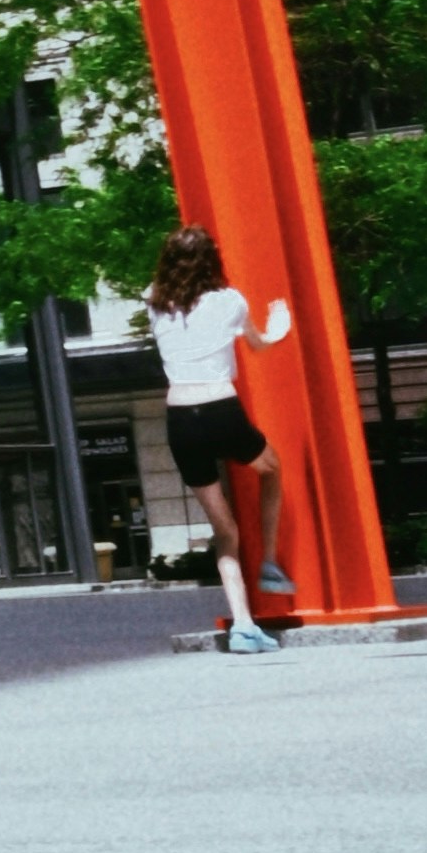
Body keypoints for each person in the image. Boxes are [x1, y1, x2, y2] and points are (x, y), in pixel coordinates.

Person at [143, 225, 297, 651]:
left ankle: (243, 626)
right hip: (220, 410)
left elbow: (164, 291)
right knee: (272, 468)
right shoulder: (230, 301)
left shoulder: (154, 300)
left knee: (225, 531)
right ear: (212, 260)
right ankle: (269, 562)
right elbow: (259, 344)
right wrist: (279, 327)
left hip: (181, 419)